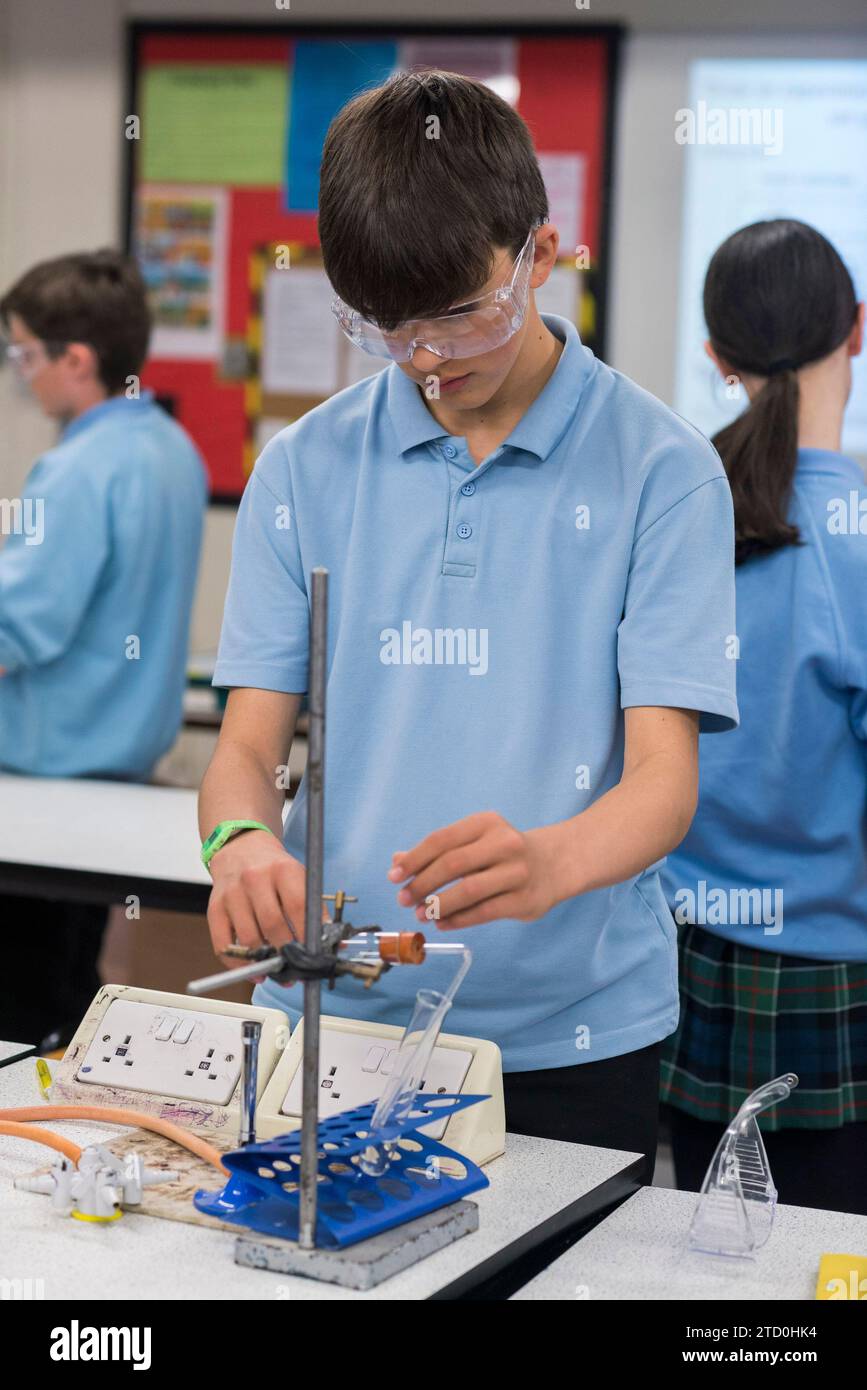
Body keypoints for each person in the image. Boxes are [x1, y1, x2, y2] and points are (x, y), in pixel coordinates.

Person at [199, 71, 738, 1180]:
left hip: (572, 1044)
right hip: (338, 1020)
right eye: (384, 328)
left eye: (461, 313)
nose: (428, 359)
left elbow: (663, 784)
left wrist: (555, 859)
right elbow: (246, 755)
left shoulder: (664, 472)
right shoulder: (304, 467)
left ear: (541, 253)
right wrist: (238, 843)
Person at [660, 219, 867, 1214]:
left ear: (717, 357)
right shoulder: (858, 545)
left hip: (677, 965)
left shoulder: (674, 516)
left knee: (702, 1253)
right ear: (857, 332)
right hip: (834, 981)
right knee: (829, 1272)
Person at [0, 249, 208, 1048]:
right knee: (64, 985)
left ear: (75, 360)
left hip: (42, 780)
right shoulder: (171, 449)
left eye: (25, 354)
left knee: (19, 1000)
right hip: (115, 772)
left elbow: (21, 624)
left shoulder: (78, 466)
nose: (22, 375)